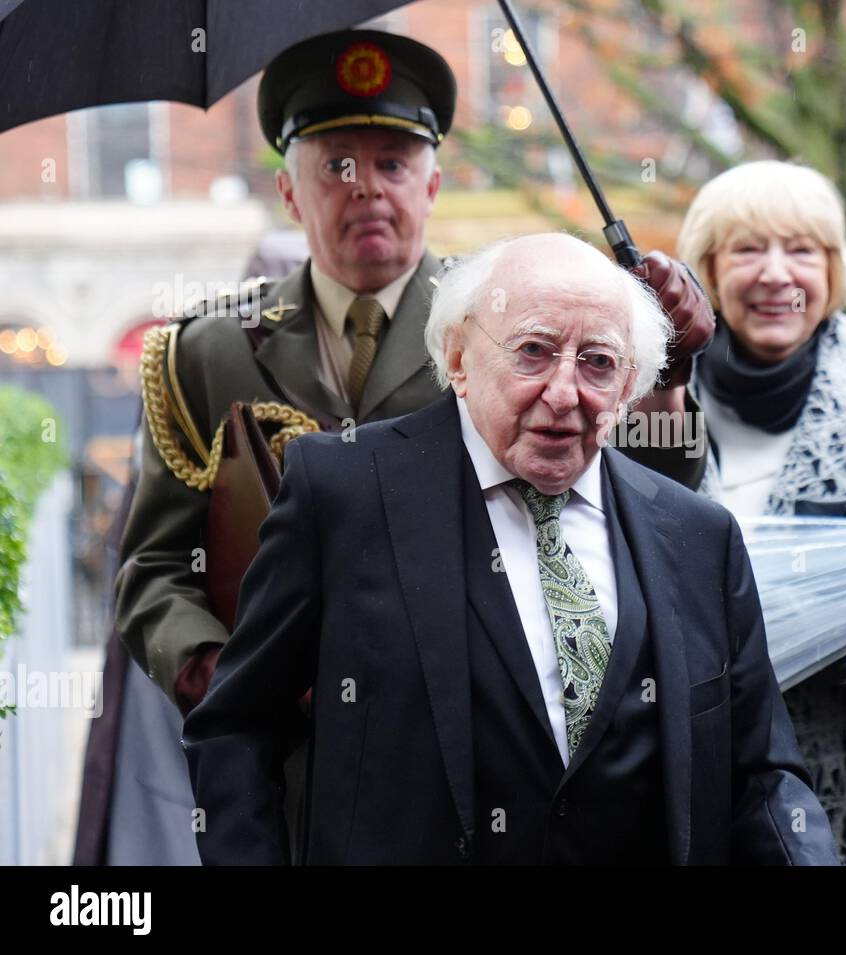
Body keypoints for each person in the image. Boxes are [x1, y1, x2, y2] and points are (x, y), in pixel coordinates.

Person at [100, 29, 714, 864]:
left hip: (454, 749)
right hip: (269, 748)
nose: (369, 191)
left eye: (393, 164)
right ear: (288, 189)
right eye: (337, 165)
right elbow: (153, 565)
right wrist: (209, 666)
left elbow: (646, 500)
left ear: (432, 183)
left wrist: (667, 374)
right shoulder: (207, 351)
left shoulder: (502, 326)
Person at [182, 233, 838, 865]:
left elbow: (760, 774)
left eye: (597, 363)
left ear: (630, 385)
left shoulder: (700, 538)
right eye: (533, 351)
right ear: (460, 356)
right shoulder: (344, 491)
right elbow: (237, 726)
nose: (563, 392)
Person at [676, 160, 846, 864]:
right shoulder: (651, 394)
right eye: (748, 249)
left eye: (803, 249)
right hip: (670, 778)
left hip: (834, 791)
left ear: (835, 267)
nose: (777, 274)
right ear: (709, 268)